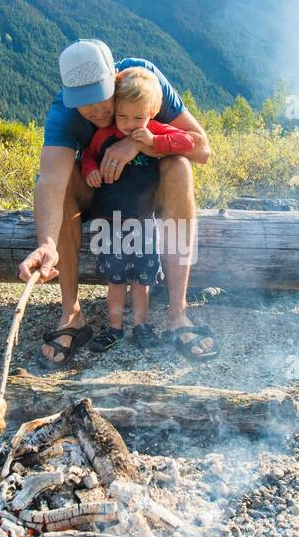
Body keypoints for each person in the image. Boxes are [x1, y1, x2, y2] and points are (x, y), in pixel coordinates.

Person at [17, 39, 218, 367]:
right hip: (101, 193)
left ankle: (178, 312)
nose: (95, 110)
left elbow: (202, 150)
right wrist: (47, 244)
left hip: (147, 194)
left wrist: (138, 144)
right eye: (83, 103)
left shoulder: (146, 83)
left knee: (180, 167)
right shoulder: (64, 114)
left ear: (116, 77)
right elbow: (50, 179)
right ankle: (71, 315)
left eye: (100, 97)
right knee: (66, 180)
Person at [81, 67, 196, 352]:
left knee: (141, 278)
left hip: (144, 221)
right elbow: (87, 156)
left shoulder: (153, 130)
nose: (130, 124)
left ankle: (141, 326)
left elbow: (189, 141)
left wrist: (153, 142)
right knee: (116, 278)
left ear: (153, 112)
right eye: (123, 116)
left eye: (138, 118)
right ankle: (114, 328)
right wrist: (91, 170)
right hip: (110, 220)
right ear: (115, 108)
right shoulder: (104, 135)